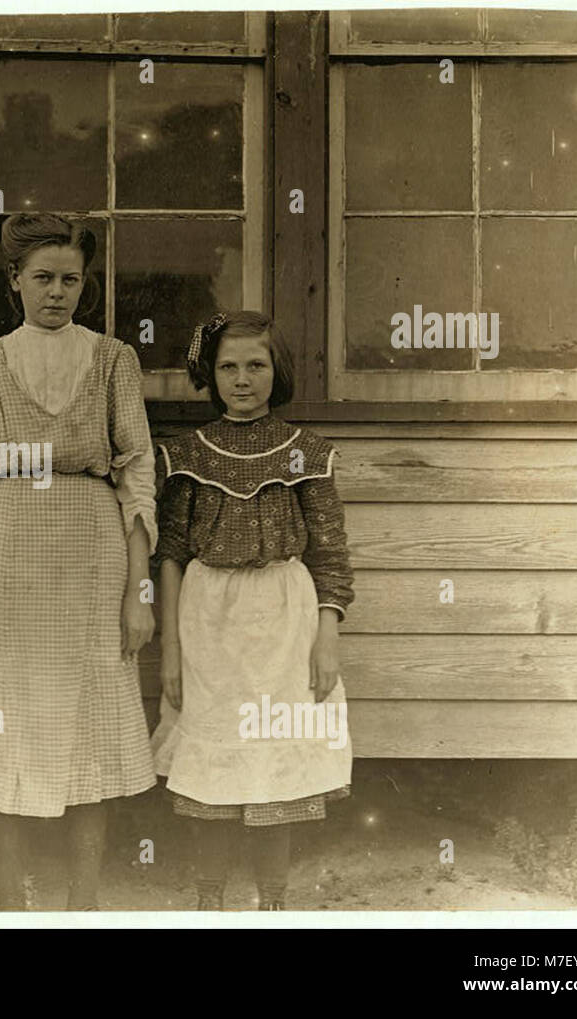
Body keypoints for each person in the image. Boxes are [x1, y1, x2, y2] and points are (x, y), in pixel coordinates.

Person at [0, 212, 157, 910]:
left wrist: (139, 589)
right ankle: (11, 900)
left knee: (91, 715)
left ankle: (82, 900)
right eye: (43, 278)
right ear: (14, 282)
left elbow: (138, 470)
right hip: (9, 554)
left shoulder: (116, 358)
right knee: (9, 719)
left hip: (93, 549)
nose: (57, 292)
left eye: (70, 279)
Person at [152, 310, 355, 911]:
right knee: (212, 752)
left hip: (284, 614)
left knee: (273, 754)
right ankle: (209, 899)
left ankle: (272, 901)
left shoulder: (306, 453)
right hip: (207, 615)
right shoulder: (188, 455)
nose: (243, 380)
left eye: (256, 366)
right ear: (210, 375)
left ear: (277, 371)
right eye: (228, 367)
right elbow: (170, 555)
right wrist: (171, 650)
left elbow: (330, 552)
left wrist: (326, 636)